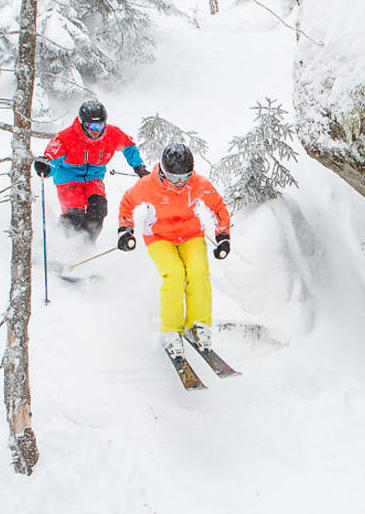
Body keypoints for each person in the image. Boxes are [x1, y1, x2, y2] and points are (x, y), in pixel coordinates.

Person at [117, 142, 232, 358]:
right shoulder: (148, 185)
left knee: (198, 272)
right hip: (159, 237)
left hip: (191, 234)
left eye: (184, 178)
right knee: (175, 274)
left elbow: (218, 207)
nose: (179, 184)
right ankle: (171, 330)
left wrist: (223, 236)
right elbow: (127, 203)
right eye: (173, 178)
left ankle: (198, 324)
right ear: (163, 171)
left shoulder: (198, 183)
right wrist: (125, 229)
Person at [34, 100, 148, 238]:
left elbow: (128, 146)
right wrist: (45, 167)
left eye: (99, 125)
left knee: (99, 208)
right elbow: (52, 158)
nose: (95, 130)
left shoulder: (112, 134)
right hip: (68, 178)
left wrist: (138, 166)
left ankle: (87, 243)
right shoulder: (66, 138)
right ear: (82, 123)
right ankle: (63, 240)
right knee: (75, 214)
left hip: (94, 178)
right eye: (90, 126)